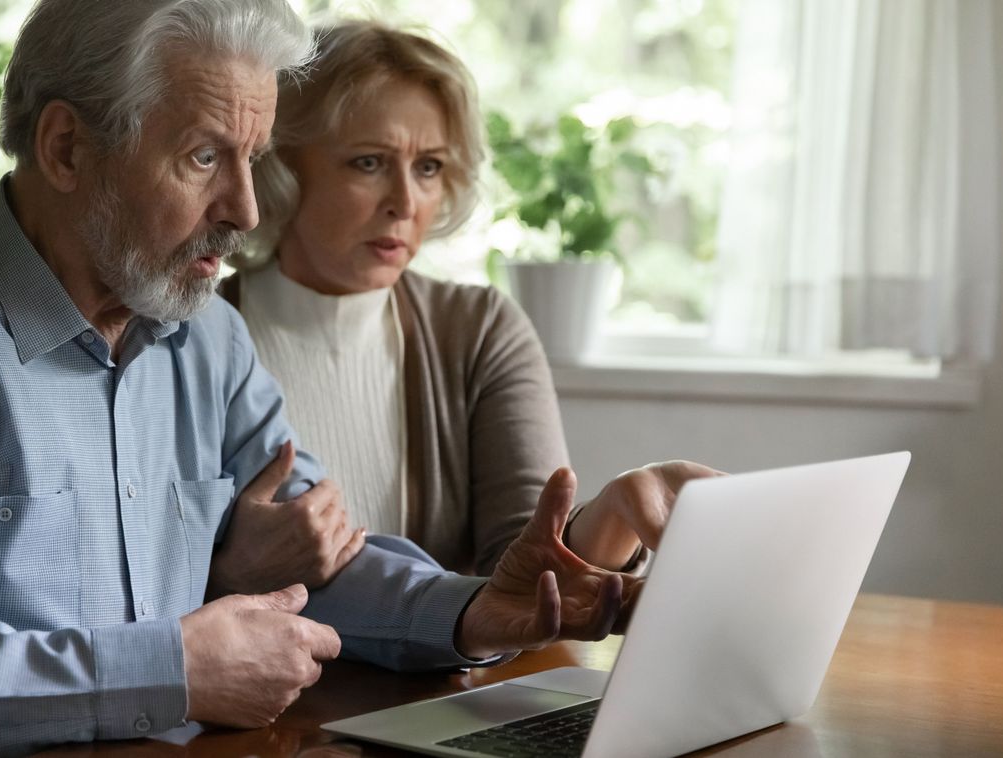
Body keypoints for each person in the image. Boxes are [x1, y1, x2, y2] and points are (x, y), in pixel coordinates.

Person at [0, 2, 642, 755]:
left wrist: (479, 611)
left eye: (253, 160)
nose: (246, 211)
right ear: (64, 147)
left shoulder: (203, 334)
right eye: (206, 156)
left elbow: (322, 568)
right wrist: (170, 669)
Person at [217, 20, 720, 589]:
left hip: (452, 678)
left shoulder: (481, 330)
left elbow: (529, 573)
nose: (405, 202)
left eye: (428, 167)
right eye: (369, 162)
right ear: (280, 166)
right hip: (259, 675)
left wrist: (616, 515)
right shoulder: (189, 339)